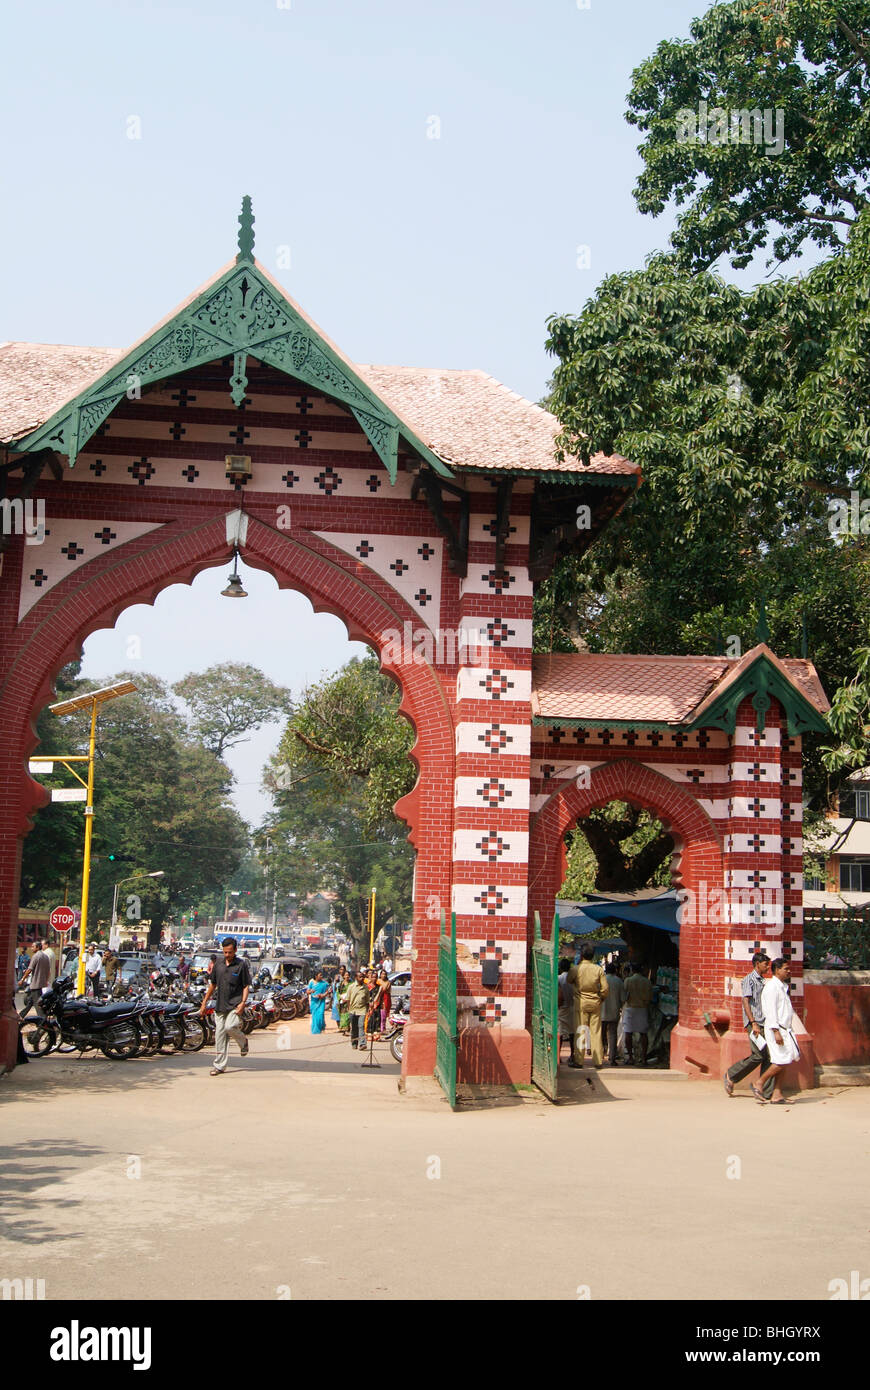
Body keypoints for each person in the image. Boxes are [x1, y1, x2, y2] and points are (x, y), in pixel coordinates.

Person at [723, 952, 775, 1100]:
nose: (767, 967)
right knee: (758, 1055)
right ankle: (731, 1074)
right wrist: (753, 1023)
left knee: (768, 1057)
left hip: (765, 1023)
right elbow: (745, 1001)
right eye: (765, 964)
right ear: (757, 964)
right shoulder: (749, 980)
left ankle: (765, 1091)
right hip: (755, 1023)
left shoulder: (764, 981)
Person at [199, 937, 251, 1076]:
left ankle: (243, 1041)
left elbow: (246, 986)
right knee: (220, 1036)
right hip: (220, 1005)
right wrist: (204, 1002)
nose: (227, 955)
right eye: (225, 952)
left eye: (230, 952)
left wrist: (243, 1003)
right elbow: (212, 985)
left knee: (230, 1027)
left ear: (235, 950)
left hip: (235, 1005)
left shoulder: (241, 965)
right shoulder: (218, 965)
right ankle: (219, 1066)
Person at [754, 958, 800, 1105]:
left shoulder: (782, 987)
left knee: (786, 1060)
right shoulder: (772, 987)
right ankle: (759, 1083)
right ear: (777, 970)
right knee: (780, 1061)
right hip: (776, 1029)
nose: (788, 971)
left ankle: (777, 1094)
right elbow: (771, 1011)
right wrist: (776, 1031)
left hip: (785, 1029)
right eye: (785, 969)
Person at [567, 943, 609, 1068]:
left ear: (582, 955)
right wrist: (600, 998)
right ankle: (598, 1061)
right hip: (595, 1002)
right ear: (593, 955)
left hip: (581, 1003)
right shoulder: (598, 969)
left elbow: (569, 980)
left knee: (581, 1031)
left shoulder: (576, 969)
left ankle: (579, 1060)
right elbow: (605, 988)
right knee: (596, 1032)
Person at [622, 962, 653, 1066]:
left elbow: (624, 994)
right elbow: (650, 997)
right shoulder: (647, 982)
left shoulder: (628, 980)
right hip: (642, 1008)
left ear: (632, 970)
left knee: (628, 1033)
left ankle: (631, 1057)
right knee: (643, 1033)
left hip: (630, 1008)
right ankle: (644, 1058)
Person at [17, 940, 53, 1021]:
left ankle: (43, 1020)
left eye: (33, 946)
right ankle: (21, 1015)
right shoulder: (45, 956)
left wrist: (22, 979)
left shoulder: (36, 956)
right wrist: (46, 980)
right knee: (31, 1001)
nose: (31, 948)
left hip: (35, 983)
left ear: (38, 947)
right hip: (41, 983)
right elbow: (48, 971)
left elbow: (29, 969)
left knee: (37, 1004)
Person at [600, 960, 625, 1066]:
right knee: (613, 1034)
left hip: (601, 1012)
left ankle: (600, 1055)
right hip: (614, 1011)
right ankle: (612, 1058)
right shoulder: (619, 981)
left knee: (600, 1034)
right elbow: (623, 998)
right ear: (615, 971)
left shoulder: (601, 980)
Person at [344, 970, 369, 1050]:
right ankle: (354, 1043)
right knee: (354, 1028)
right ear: (356, 978)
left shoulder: (365, 988)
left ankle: (362, 1044)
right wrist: (349, 1009)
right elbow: (348, 999)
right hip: (353, 1010)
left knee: (361, 1026)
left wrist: (367, 1010)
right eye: (360, 977)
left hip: (362, 1010)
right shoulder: (351, 987)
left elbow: (367, 1000)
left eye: (363, 977)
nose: (362, 978)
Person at [557, 957, 575, 1063]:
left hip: (562, 1008)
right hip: (572, 1007)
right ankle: (572, 1055)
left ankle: (558, 1057)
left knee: (560, 1033)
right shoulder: (573, 979)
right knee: (572, 1033)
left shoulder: (559, 978)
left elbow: (559, 995)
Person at [307, 970, 330, 1034]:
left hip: (321, 1001)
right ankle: (315, 1030)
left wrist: (323, 995)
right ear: (316, 976)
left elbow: (328, 991)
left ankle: (321, 1027)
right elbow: (307, 991)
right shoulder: (311, 982)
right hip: (314, 1002)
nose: (321, 976)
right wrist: (311, 991)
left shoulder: (324, 983)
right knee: (315, 1016)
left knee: (320, 1014)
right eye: (320, 975)